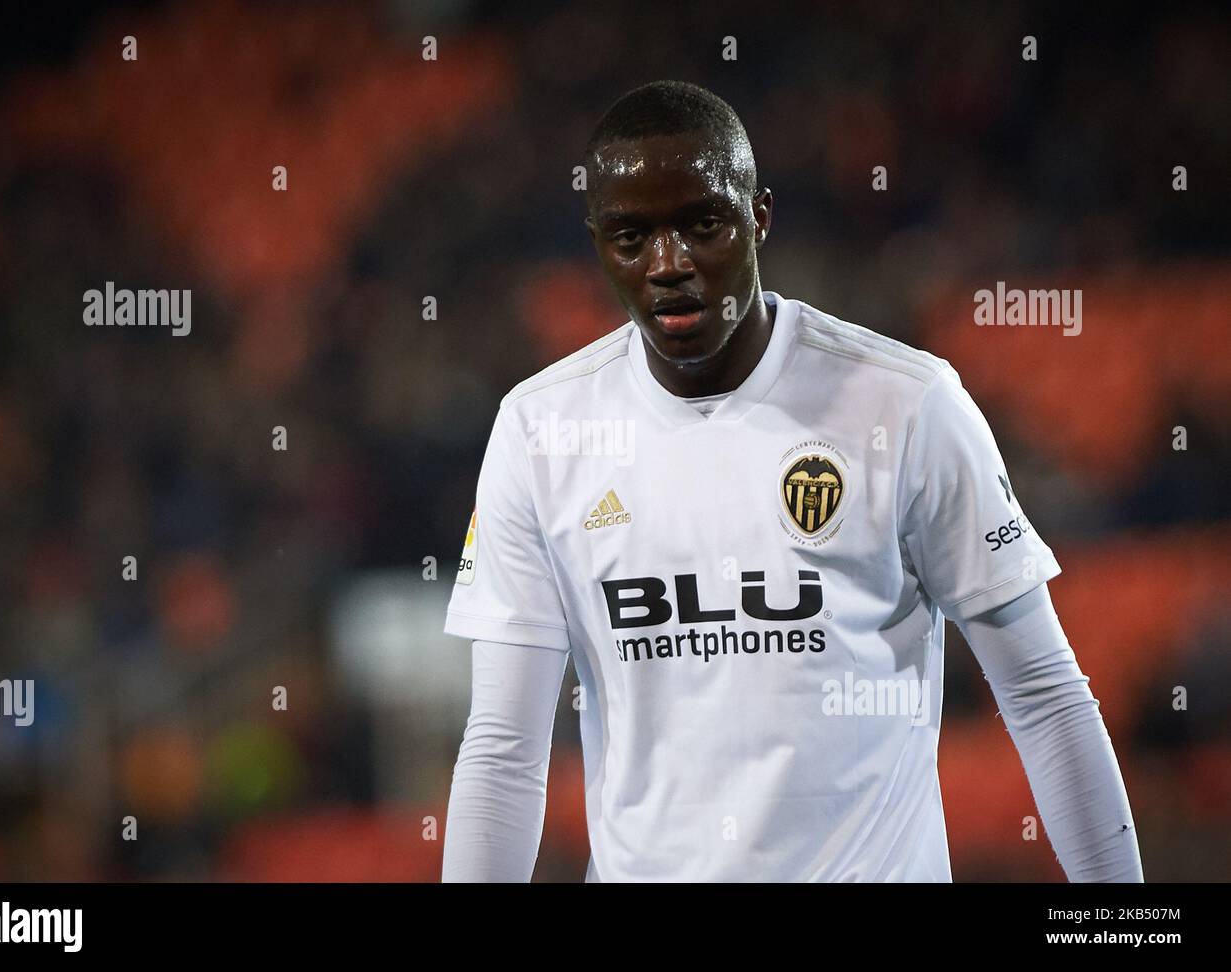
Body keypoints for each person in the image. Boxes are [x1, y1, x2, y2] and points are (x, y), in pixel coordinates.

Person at [440, 80, 1143, 882]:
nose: (668, 266)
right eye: (632, 237)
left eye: (702, 224)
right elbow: (503, 749)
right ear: (597, 241)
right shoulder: (541, 431)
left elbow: (1045, 697)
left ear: (758, 217)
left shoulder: (908, 404)